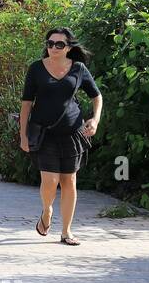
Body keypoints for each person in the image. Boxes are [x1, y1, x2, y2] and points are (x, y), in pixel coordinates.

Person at [20, 28, 103, 246]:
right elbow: (26, 104)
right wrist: (23, 134)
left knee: (69, 181)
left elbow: (97, 96)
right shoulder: (36, 69)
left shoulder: (78, 69)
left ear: (69, 47)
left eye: (59, 44)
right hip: (44, 133)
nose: (53, 48)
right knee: (50, 181)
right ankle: (47, 211)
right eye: (50, 43)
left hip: (72, 133)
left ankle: (66, 231)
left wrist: (95, 120)